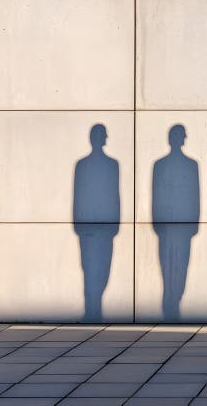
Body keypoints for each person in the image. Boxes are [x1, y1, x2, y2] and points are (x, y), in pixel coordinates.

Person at [152, 124, 200, 322]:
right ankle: (170, 305)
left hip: (183, 225)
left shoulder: (191, 165)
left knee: (181, 266)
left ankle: (175, 303)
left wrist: (193, 224)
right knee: (168, 265)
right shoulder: (161, 165)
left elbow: (195, 195)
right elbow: (156, 194)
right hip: (167, 224)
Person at [73, 124, 119, 323]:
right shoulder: (82, 165)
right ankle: (92, 309)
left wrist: (115, 224)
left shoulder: (112, 165)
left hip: (104, 227)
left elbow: (115, 195)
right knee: (89, 267)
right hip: (89, 226)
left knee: (101, 268)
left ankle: (95, 307)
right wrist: (78, 224)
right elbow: (78, 195)